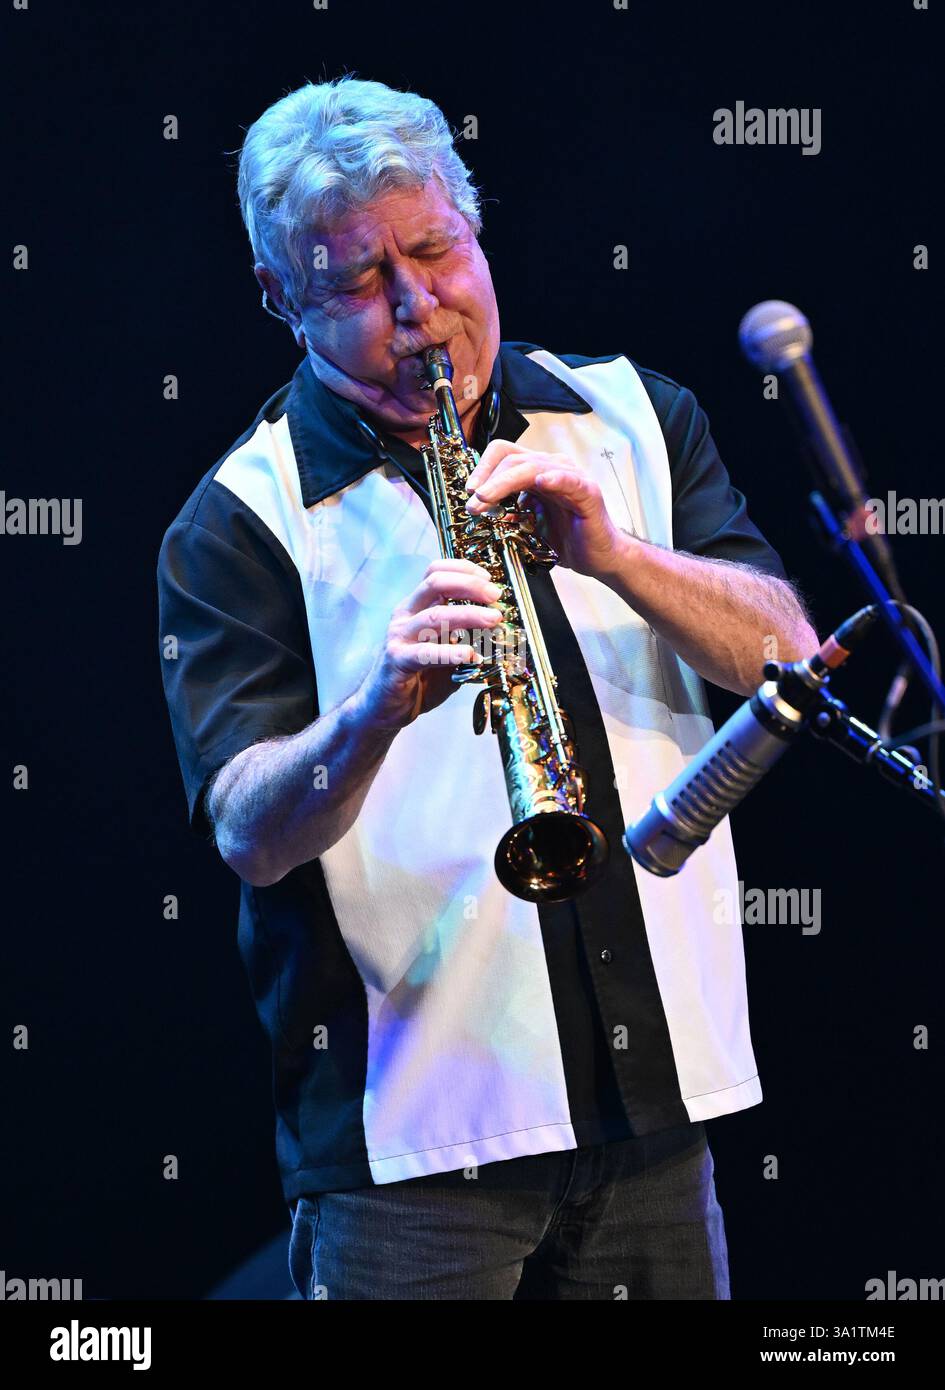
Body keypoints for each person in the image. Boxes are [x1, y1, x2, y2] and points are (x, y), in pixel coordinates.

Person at [156, 76, 818, 1300]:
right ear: (278, 298)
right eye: (358, 282)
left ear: (476, 232)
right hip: (414, 1155)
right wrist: (370, 713)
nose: (417, 310)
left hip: (662, 1109)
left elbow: (787, 652)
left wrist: (622, 556)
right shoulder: (236, 522)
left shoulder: (632, 414)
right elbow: (248, 834)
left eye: (433, 251)